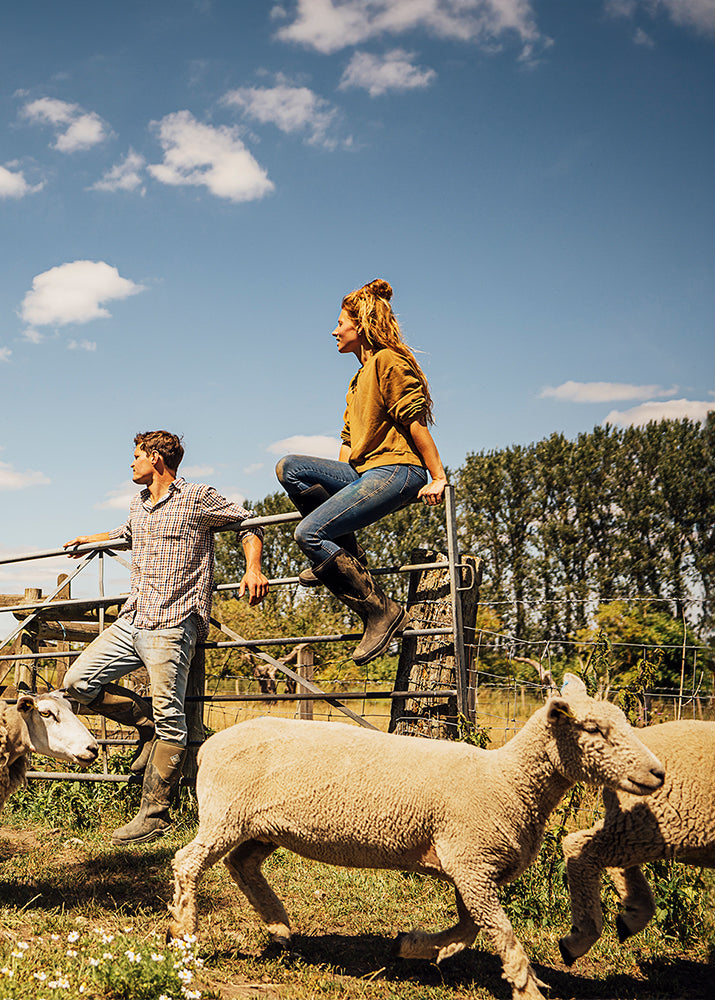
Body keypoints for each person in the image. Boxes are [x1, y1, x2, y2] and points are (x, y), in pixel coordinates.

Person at [60, 430, 267, 844]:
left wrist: (253, 568)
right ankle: (144, 722)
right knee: (76, 683)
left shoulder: (197, 497)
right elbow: (127, 532)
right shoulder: (139, 504)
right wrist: (90, 539)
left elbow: (250, 522)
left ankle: (155, 814)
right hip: (133, 619)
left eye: (136, 456)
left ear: (155, 458)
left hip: (173, 621)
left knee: (172, 715)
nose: (131, 463)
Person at [276, 278, 447, 665]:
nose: (335, 331)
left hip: (398, 469)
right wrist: (336, 492)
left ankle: (379, 611)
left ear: (362, 324)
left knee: (309, 532)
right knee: (291, 468)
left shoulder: (388, 361)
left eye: (341, 323)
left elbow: (416, 422)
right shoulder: (356, 381)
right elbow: (349, 445)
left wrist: (438, 475)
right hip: (364, 471)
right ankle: (344, 556)